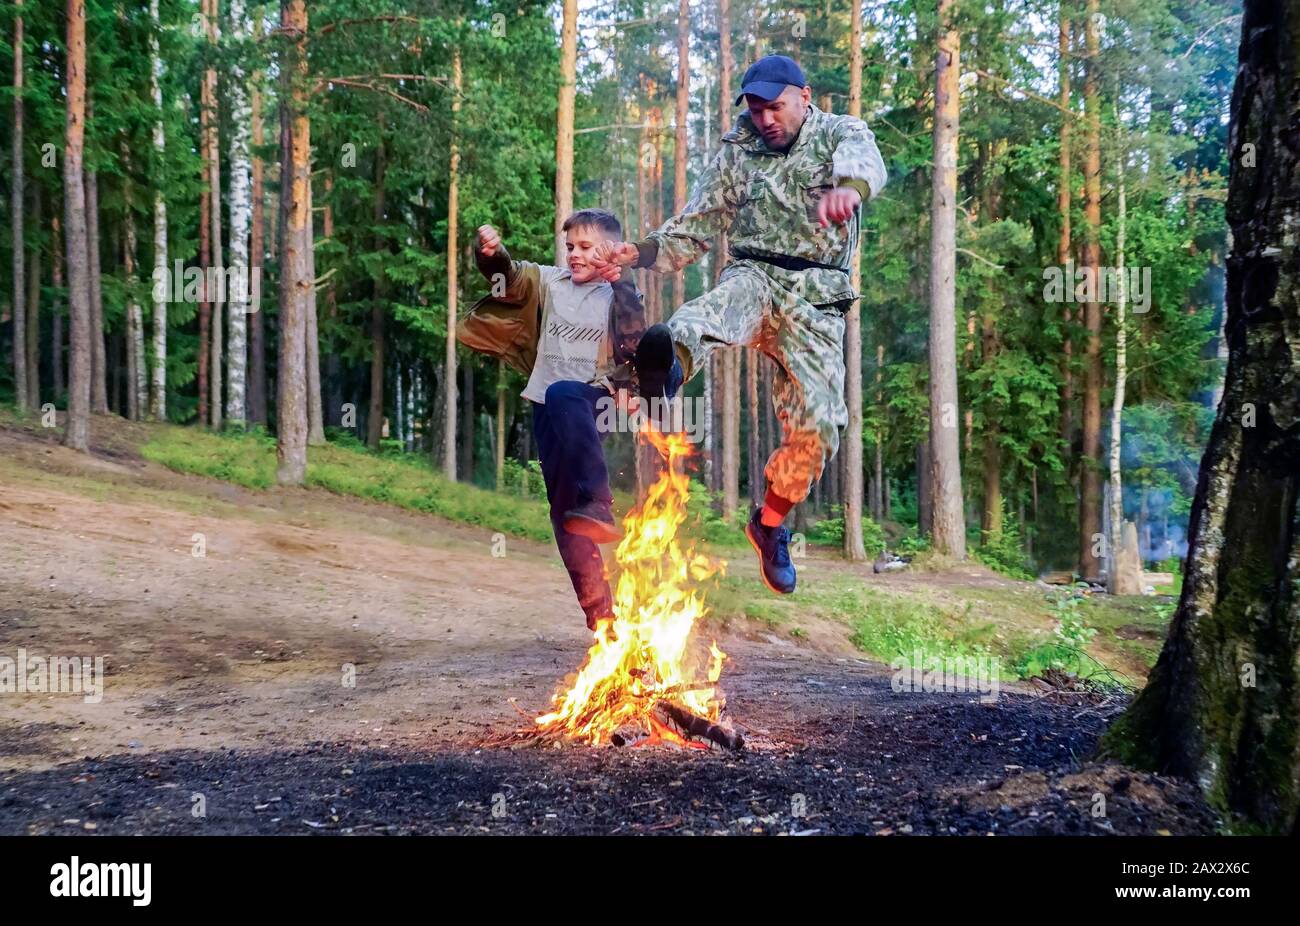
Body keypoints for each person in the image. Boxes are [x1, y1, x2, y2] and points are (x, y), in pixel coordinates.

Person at [590, 54, 888, 596]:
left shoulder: (839, 133)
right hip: (753, 273)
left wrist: (849, 188)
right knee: (709, 313)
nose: (765, 119)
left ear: (804, 95)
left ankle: (769, 524)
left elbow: (865, 160)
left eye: (775, 107)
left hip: (816, 296)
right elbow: (696, 227)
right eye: (755, 109)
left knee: (821, 428)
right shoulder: (738, 149)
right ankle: (665, 366)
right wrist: (638, 251)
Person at [458, 209, 645, 630]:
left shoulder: (618, 295)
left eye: (585, 248)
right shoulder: (549, 282)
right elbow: (506, 276)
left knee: (565, 394)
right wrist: (491, 253)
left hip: (592, 405)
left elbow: (636, 335)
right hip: (546, 406)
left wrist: (623, 279)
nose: (574, 256)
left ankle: (599, 501)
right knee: (563, 514)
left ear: (610, 251)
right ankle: (602, 616)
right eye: (570, 247)